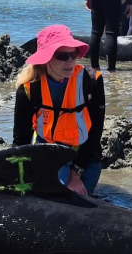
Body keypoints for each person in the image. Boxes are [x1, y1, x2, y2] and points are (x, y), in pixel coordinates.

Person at [13, 25, 106, 196]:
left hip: (85, 154)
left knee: (80, 200)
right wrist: (21, 178)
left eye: (74, 54)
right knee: (56, 196)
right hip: (49, 152)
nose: (70, 61)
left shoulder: (92, 81)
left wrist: (75, 174)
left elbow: (95, 133)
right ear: (46, 58)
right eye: (63, 56)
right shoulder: (27, 90)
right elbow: (20, 140)